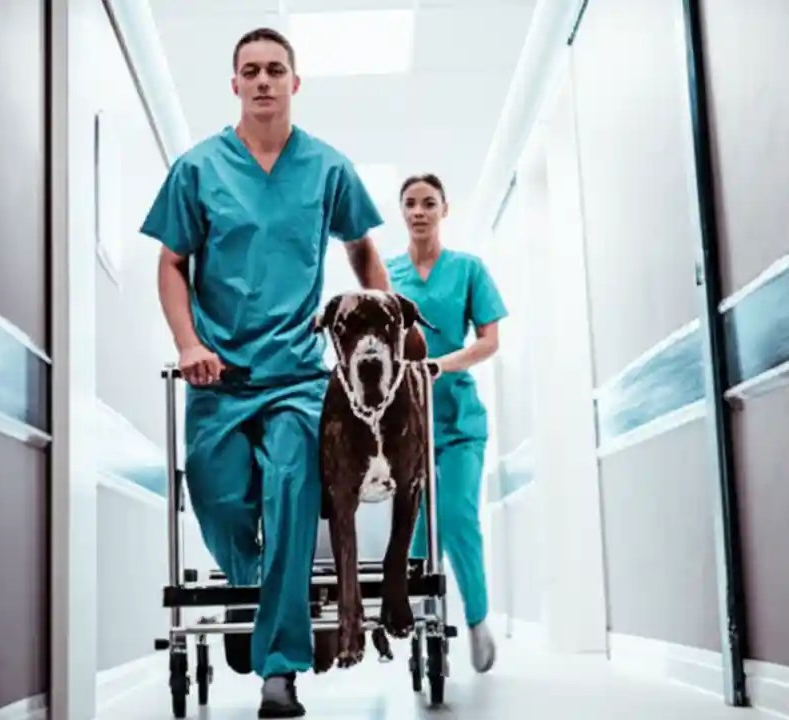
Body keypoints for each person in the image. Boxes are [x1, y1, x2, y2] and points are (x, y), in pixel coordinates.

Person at [140, 27, 390, 719]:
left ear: (294, 83)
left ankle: (279, 669)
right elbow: (171, 264)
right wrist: (188, 343)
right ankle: (256, 589)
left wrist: (381, 326)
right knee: (218, 501)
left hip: (297, 378)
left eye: (275, 69)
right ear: (234, 84)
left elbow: (363, 251)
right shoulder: (198, 169)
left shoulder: (327, 168)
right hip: (217, 376)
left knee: (290, 495)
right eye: (250, 70)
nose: (262, 81)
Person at [385, 173, 508, 674]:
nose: (419, 212)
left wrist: (438, 366)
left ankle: (477, 619)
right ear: (401, 211)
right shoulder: (387, 274)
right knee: (414, 529)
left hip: (458, 420)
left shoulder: (468, 269)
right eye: (411, 203)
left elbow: (489, 341)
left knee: (457, 516)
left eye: (428, 203)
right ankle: (421, 623)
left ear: (443, 209)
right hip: (404, 424)